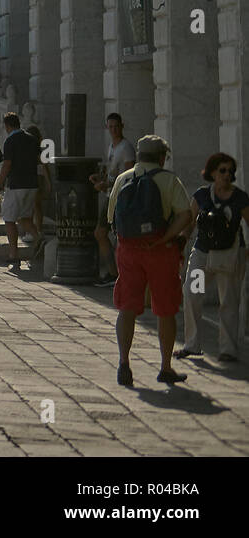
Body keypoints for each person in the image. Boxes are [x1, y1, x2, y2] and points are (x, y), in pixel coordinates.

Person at [108, 134, 193, 386]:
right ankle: (165, 366)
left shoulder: (124, 179)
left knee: (127, 307)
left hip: (129, 250)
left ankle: (124, 363)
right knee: (165, 308)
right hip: (161, 250)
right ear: (162, 157)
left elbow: (112, 217)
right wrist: (164, 237)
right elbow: (186, 215)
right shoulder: (169, 180)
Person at [177, 153, 248, 363]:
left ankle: (228, 349)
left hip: (229, 257)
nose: (227, 175)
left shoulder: (240, 198)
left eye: (230, 171)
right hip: (203, 256)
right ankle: (192, 344)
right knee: (192, 293)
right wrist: (181, 245)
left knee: (228, 302)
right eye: (222, 170)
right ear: (212, 173)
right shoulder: (201, 196)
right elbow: (189, 223)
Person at [89, 113, 136, 287]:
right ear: (107, 128)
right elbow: (113, 172)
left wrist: (106, 184)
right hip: (110, 194)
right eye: (111, 127)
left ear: (122, 126)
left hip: (119, 197)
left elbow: (128, 176)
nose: (114, 130)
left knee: (102, 233)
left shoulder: (126, 148)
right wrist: (100, 179)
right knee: (103, 234)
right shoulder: (111, 146)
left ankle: (114, 274)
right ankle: (113, 273)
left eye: (117, 126)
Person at [0, 112, 40, 269]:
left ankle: (14, 254)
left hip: (16, 184)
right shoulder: (32, 139)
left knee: (9, 219)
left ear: (7, 126)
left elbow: (7, 164)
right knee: (25, 218)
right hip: (32, 184)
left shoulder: (10, 141)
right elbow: (38, 160)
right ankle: (39, 240)